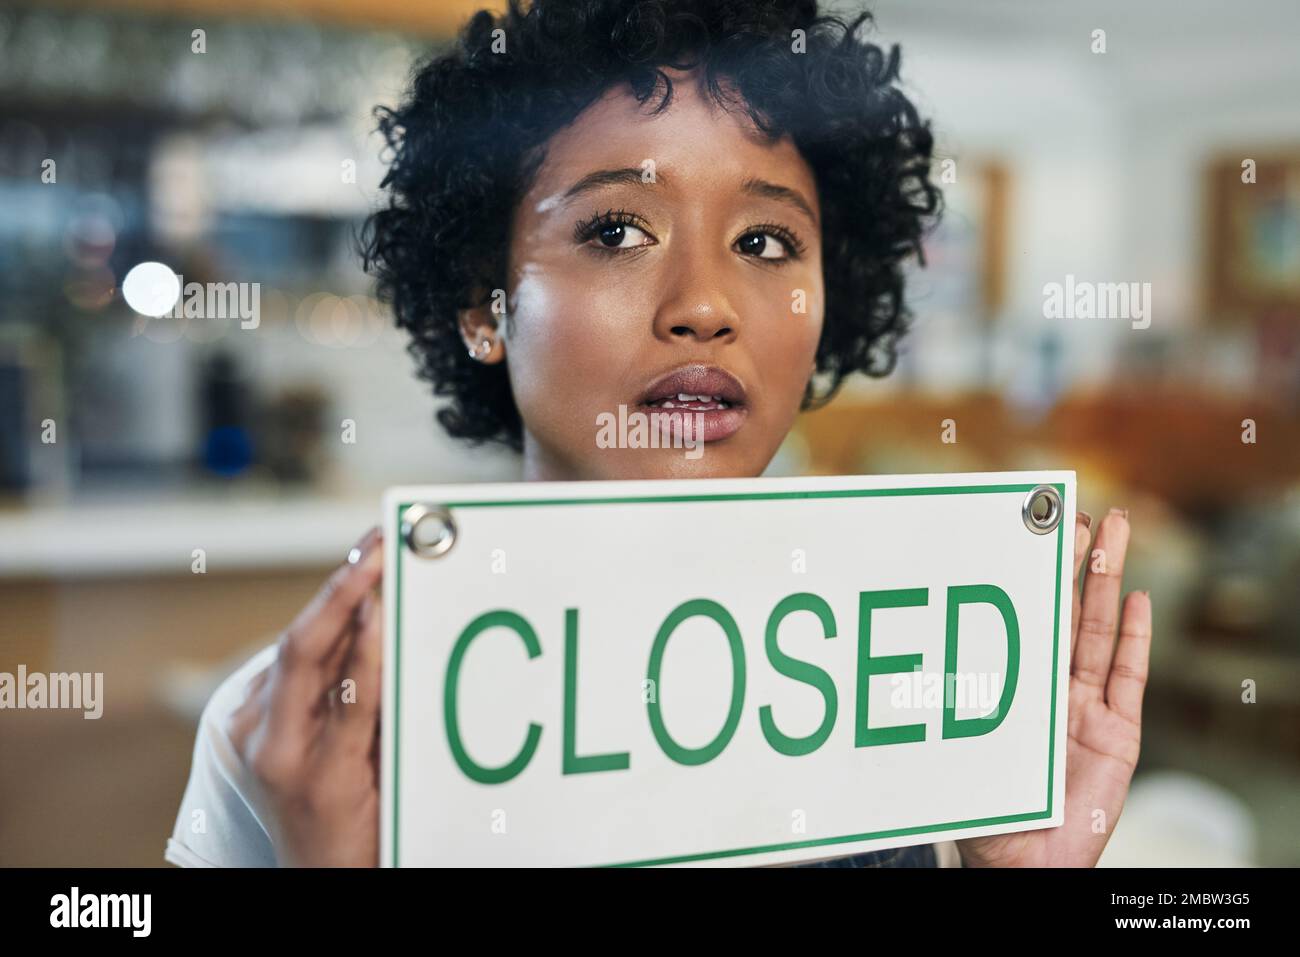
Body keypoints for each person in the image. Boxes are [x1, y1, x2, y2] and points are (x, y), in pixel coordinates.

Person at [166, 0, 1151, 868]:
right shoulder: (305, 738)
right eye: (614, 231)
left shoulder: (904, 687)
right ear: (483, 303)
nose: (704, 306)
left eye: (764, 242)